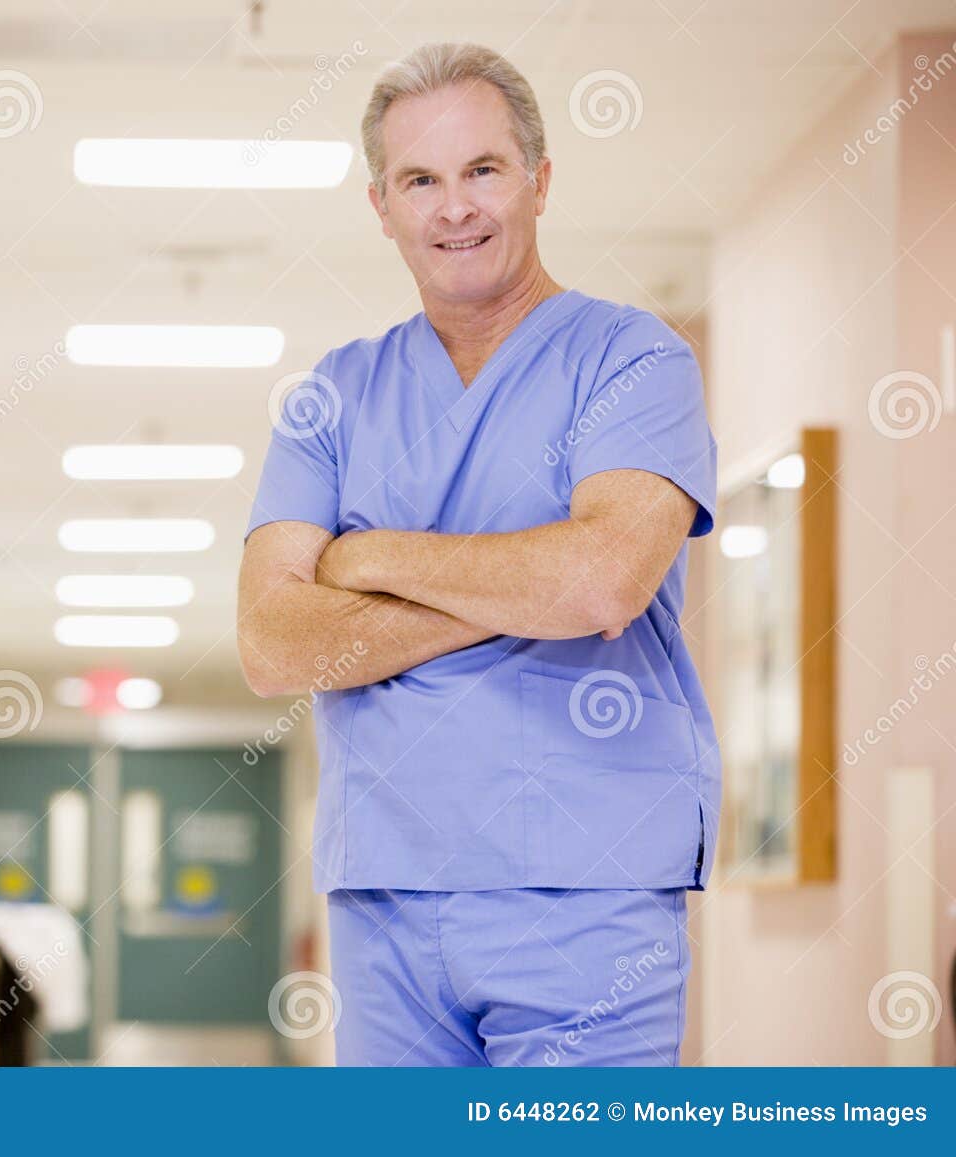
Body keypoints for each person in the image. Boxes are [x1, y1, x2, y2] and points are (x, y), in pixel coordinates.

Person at [237, 42, 719, 1067]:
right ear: (381, 205)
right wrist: (521, 586)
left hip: (585, 885)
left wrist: (365, 558)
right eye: (420, 179)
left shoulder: (632, 362)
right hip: (384, 894)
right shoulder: (334, 396)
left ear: (539, 180)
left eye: (482, 170)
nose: (454, 208)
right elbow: (274, 643)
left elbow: (601, 579)